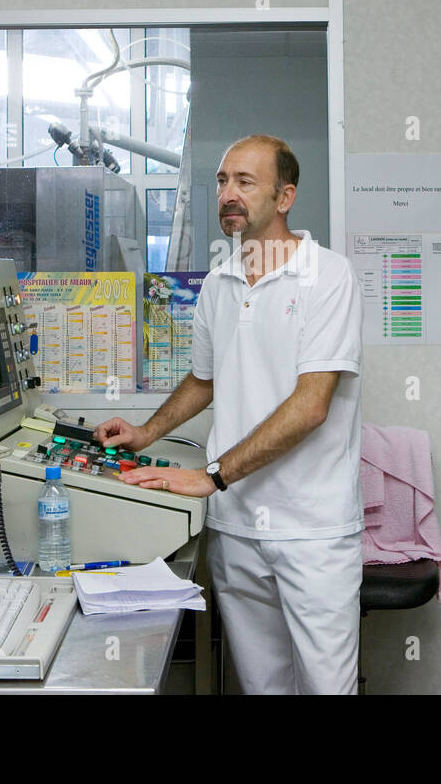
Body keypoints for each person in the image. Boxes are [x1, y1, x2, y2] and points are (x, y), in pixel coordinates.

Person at [94, 133, 364, 694]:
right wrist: (147, 431)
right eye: (222, 181)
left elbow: (312, 405)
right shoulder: (219, 283)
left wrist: (211, 476)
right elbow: (205, 379)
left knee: (325, 687)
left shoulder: (328, 276)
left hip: (310, 528)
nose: (228, 194)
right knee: (262, 686)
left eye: (245, 181)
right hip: (237, 525)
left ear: (284, 197)